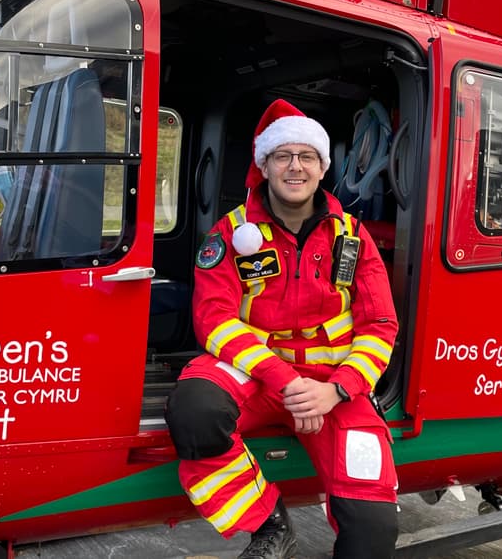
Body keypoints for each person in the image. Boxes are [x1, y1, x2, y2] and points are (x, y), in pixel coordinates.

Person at [165, 99, 400, 559]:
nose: (295, 167)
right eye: (282, 156)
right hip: (258, 378)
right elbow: (213, 320)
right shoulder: (230, 234)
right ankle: (270, 525)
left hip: (334, 390)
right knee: (194, 409)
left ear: (322, 167)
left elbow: (381, 324)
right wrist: (287, 381)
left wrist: (336, 390)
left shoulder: (353, 236)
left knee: (372, 529)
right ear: (264, 166)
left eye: (307, 156)